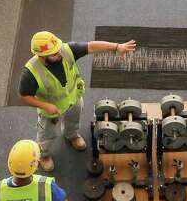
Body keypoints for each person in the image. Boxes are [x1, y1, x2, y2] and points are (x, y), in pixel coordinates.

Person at [19, 31, 137, 172]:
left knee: (73, 121)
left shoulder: (66, 50)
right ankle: (43, 156)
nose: (59, 53)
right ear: (41, 56)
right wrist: (45, 106)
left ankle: (72, 135)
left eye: (58, 49)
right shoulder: (31, 72)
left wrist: (117, 47)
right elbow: (24, 96)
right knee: (47, 135)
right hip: (51, 111)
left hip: (74, 99)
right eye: (54, 53)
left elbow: (91, 46)